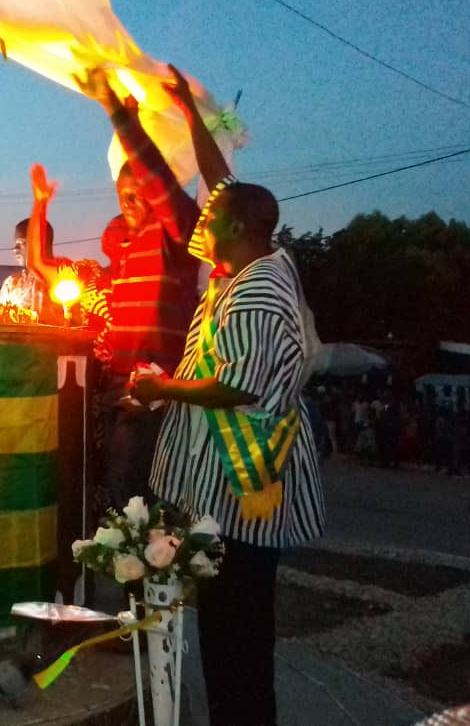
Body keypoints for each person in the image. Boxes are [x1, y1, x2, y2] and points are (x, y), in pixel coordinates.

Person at [131, 65, 326, 726]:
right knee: (228, 631)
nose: (202, 219)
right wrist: (188, 109)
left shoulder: (256, 290)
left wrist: (163, 386)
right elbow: (223, 185)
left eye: (213, 218)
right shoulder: (251, 260)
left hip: (240, 497)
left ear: (236, 229)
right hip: (227, 496)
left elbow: (236, 386)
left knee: (237, 637)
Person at [25, 67, 200, 511]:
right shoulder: (117, 260)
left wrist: (123, 116)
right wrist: (40, 205)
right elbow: (41, 265)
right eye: (123, 194)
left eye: (141, 194)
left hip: (160, 399)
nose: (131, 200)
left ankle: (152, 576)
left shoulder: (178, 241)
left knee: (145, 504)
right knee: (122, 501)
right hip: (117, 395)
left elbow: (158, 178)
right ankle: (136, 575)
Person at [0, 218, 63, 323]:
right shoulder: (11, 283)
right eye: (15, 243)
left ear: (40, 243)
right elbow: (0, 320)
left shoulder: (65, 281)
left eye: (22, 242)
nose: (15, 249)